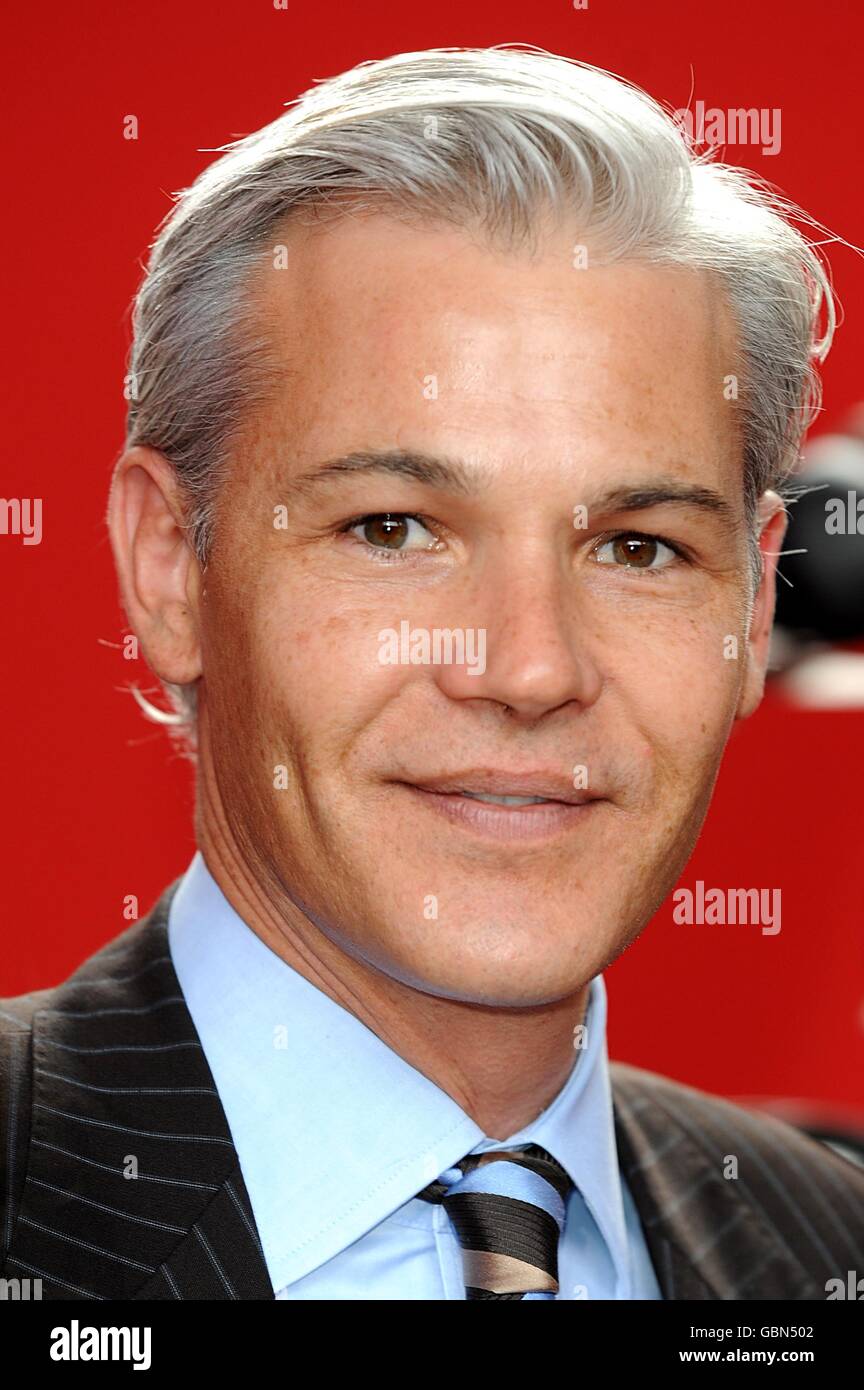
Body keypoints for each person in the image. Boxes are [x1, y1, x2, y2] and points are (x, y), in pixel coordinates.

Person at [2, 44, 862, 1302]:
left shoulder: (832, 1248)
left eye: (638, 546)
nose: (528, 666)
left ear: (751, 596)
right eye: (393, 529)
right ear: (169, 568)